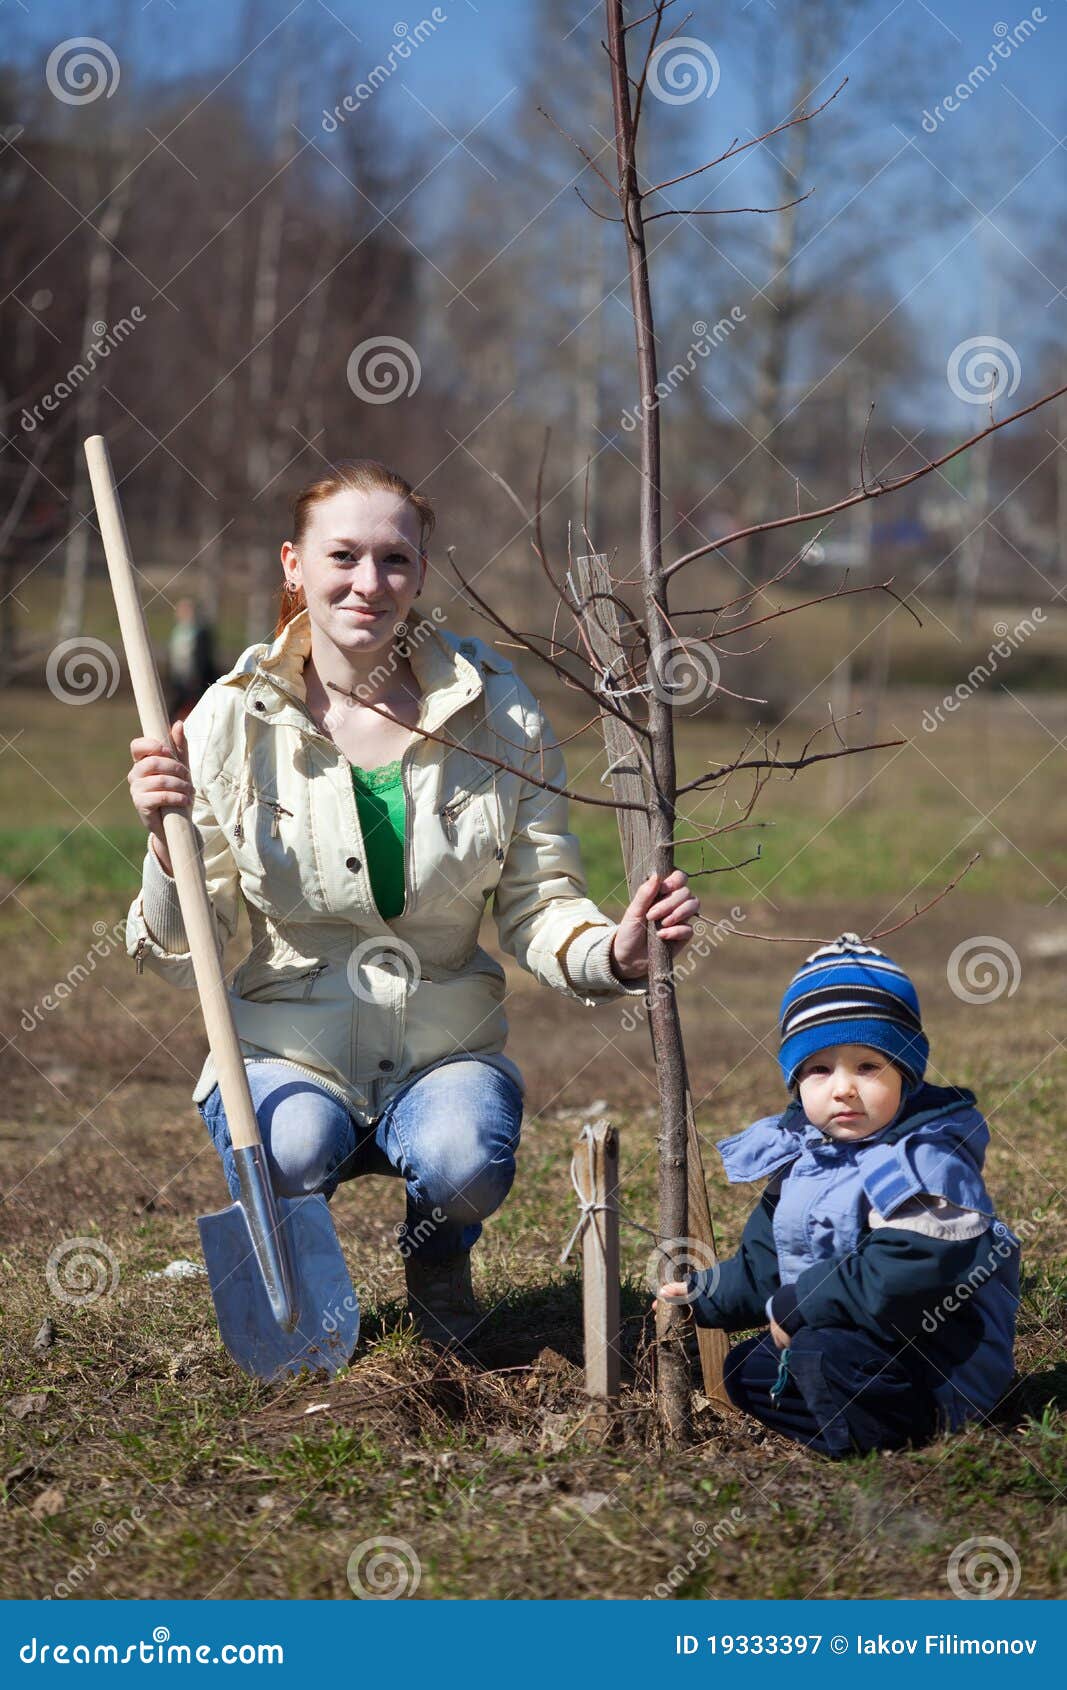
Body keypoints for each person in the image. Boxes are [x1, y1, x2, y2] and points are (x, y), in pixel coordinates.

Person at [125, 458, 701, 1348]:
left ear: (421, 572)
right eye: (342, 556)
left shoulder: (496, 714)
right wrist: (166, 841)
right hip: (288, 1047)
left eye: (394, 559)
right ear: (293, 565)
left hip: (442, 1047)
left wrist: (611, 953)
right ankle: (303, 1294)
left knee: (464, 1160)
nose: (368, 582)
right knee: (287, 1148)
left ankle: (437, 1255)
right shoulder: (226, 722)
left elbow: (540, 900)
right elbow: (179, 952)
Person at [657, 933, 1020, 1458]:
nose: (843, 1088)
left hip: (936, 1360)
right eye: (820, 1069)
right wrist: (700, 1296)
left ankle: (907, 1434)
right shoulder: (805, 1161)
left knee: (818, 1353)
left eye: (868, 1067)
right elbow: (765, 1266)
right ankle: (864, 1435)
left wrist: (799, 1304)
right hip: (851, 1344)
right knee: (747, 1369)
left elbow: (902, 1271)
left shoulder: (925, 1159)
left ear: (906, 1075)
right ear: (796, 1081)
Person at [164, 596, 217, 722]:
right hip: (179, 682)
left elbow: (204, 659)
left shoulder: (202, 633)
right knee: (172, 714)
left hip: (198, 683)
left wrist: (198, 680)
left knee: (202, 713)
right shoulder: (176, 633)